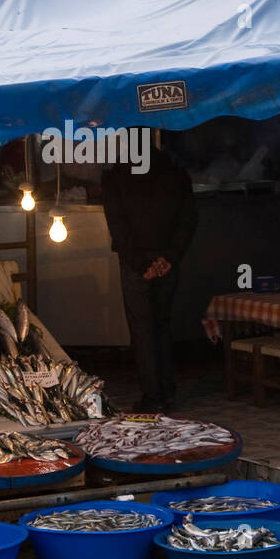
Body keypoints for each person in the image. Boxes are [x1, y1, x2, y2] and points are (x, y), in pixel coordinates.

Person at [102, 147, 198, 412]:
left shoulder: (116, 173)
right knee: (162, 325)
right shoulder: (174, 170)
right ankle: (167, 393)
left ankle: (153, 397)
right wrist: (169, 258)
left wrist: (141, 264)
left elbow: (118, 225)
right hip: (167, 261)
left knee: (143, 330)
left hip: (137, 263)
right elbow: (188, 219)